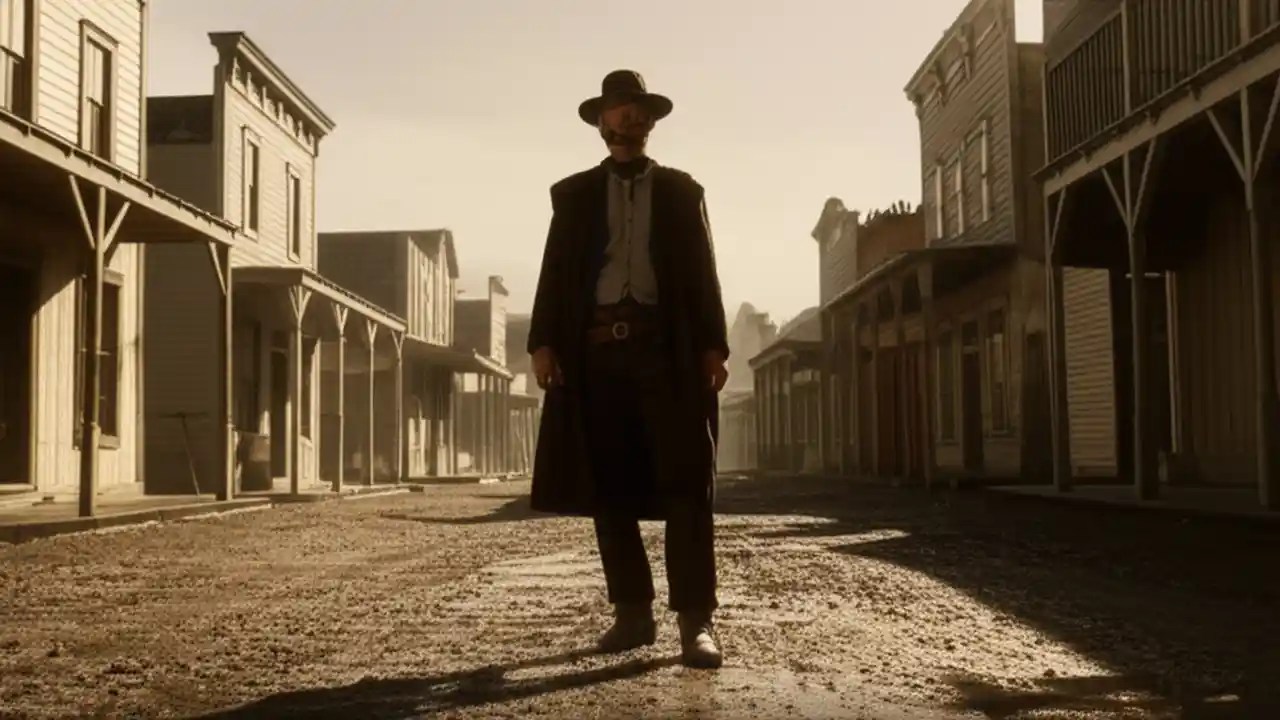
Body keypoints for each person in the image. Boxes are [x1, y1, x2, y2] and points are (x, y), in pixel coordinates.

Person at [525, 69, 729, 669]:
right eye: (617, 109)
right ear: (600, 121)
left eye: (637, 108)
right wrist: (542, 343)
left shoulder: (681, 192)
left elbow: (703, 273)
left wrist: (712, 346)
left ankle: (696, 624)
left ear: (650, 119)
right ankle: (632, 614)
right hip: (595, 354)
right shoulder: (572, 195)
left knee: (686, 484)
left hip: (665, 352)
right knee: (608, 486)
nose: (627, 118)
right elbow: (555, 271)